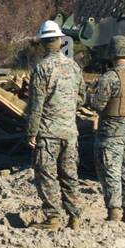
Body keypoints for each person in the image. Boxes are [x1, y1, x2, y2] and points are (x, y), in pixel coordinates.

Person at [24, 20, 85, 230]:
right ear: (59, 40)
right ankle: (75, 217)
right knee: (70, 174)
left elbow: (36, 105)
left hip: (48, 133)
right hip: (70, 132)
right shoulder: (74, 67)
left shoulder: (41, 68)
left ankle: (53, 217)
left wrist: (31, 133)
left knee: (47, 175)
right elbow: (82, 97)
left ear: (42, 43)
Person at [86, 35, 125, 224]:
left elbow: (97, 104)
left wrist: (87, 96)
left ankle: (114, 213)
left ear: (112, 54)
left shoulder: (110, 77)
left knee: (111, 172)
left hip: (112, 133)